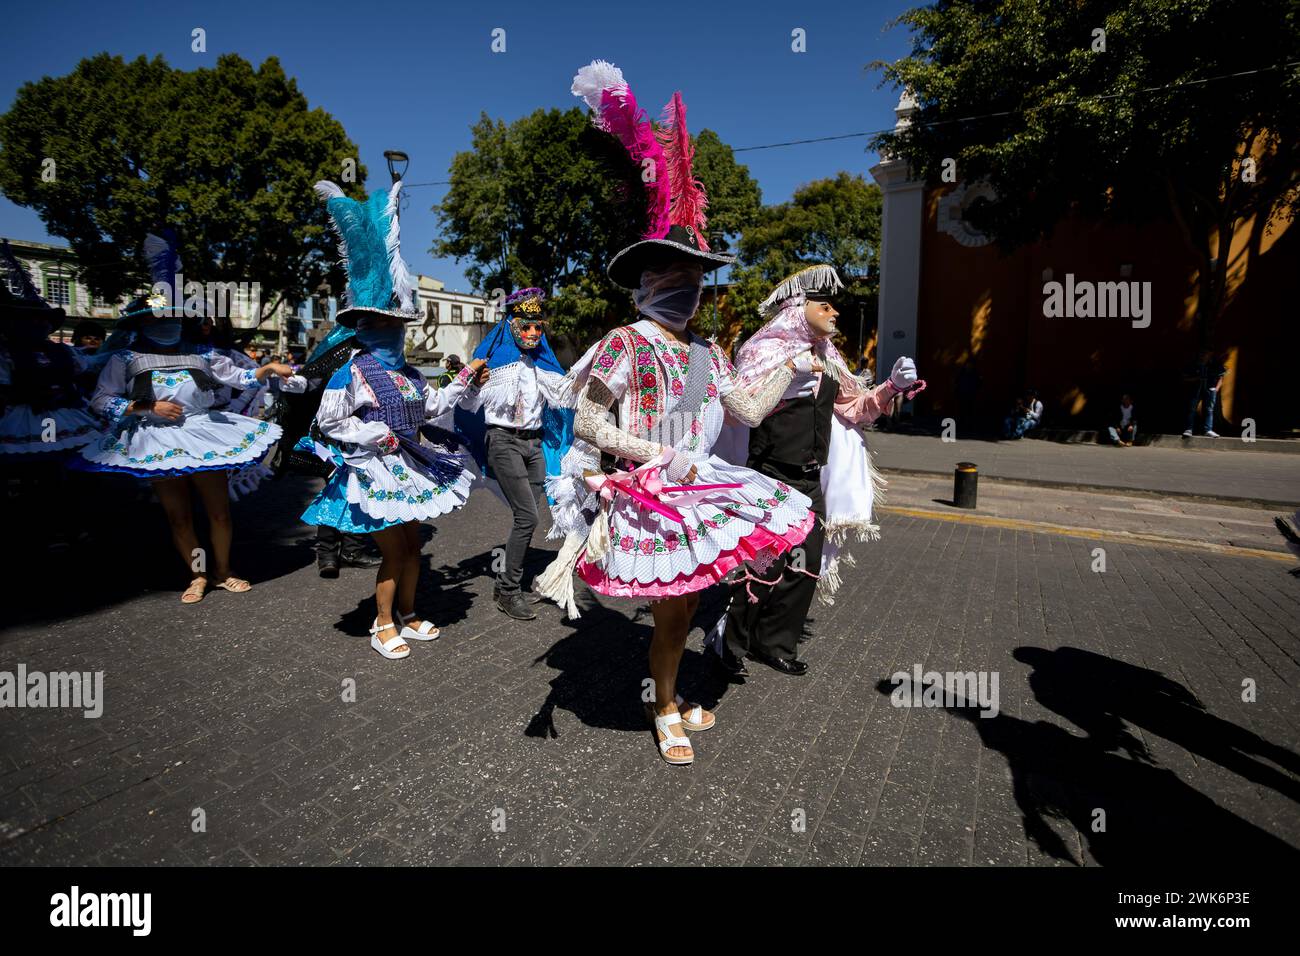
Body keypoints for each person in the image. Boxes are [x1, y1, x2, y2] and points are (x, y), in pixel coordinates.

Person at [537, 61, 815, 766]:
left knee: (692, 607)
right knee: (672, 609)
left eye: (697, 280)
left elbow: (747, 409)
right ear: (649, 278)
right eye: (678, 277)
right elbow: (593, 426)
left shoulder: (709, 351)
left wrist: (794, 363)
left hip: (701, 490)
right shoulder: (623, 343)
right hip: (653, 493)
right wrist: (663, 456)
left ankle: (671, 689)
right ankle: (664, 707)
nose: (691, 290)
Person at [300, 179, 486, 660]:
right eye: (384, 326)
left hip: (409, 464)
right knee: (396, 551)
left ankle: (406, 612)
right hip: (373, 469)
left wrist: (464, 378)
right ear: (365, 328)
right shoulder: (352, 371)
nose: (393, 334)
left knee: (413, 548)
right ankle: (381, 623)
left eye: (396, 326)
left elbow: (430, 406)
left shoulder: (405, 372)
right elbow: (329, 422)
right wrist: (374, 433)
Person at [711, 265, 924, 677]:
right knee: (763, 564)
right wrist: (784, 380)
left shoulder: (829, 357)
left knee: (805, 565)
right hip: (769, 476)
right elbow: (736, 411)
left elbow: (854, 408)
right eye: (824, 305)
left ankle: (774, 643)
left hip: (810, 478)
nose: (835, 313)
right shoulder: (761, 351)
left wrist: (891, 387)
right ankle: (729, 643)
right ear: (796, 308)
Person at [75, 231, 304, 602]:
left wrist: (268, 369)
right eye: (159, 318)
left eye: (174, 318)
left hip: (202, 434)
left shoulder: (203, 355)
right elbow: (100, 399)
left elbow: (240, 376)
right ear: (143, 321)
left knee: (220, 513)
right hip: (155, 437)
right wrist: (146, 408)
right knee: (178, 516)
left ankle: (224, 571)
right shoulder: (125, 359)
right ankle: (197, 575)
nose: (168, 324)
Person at [455, 288, 573, 620]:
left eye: (538, 326)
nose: (533, 333)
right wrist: (475, 384)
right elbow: (466, 405)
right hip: (503, 441)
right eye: (526, 326)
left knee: (526, 517)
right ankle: (507, 589)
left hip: (534, 445)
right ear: (512, 326)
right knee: (528, 518)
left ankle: (508, 585)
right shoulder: (493, 362)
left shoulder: (545, 364)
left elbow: (565, 397)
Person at [267, 321, 382, 577]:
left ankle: (351, 549)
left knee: (359, 488)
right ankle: (328, 554)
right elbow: (309, 382)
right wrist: (289, 380)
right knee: (333, 487)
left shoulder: (383, 354)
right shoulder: (339, 352)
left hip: (364, 435)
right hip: (327, 437)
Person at [1183, 349, 1225, 438]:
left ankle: (1208, 430)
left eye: (1205, 353)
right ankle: (1188, 429)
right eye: (1201, 353)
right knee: (1192, 409)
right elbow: (1185, 378)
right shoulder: (1194, 365)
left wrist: (1216, 389)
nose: (1203, 355)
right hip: (1196, 389)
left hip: (1210, 390)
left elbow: (1221, 378)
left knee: (1209, 410)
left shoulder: (1215, 365)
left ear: (1210, 354)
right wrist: (1196, 379)